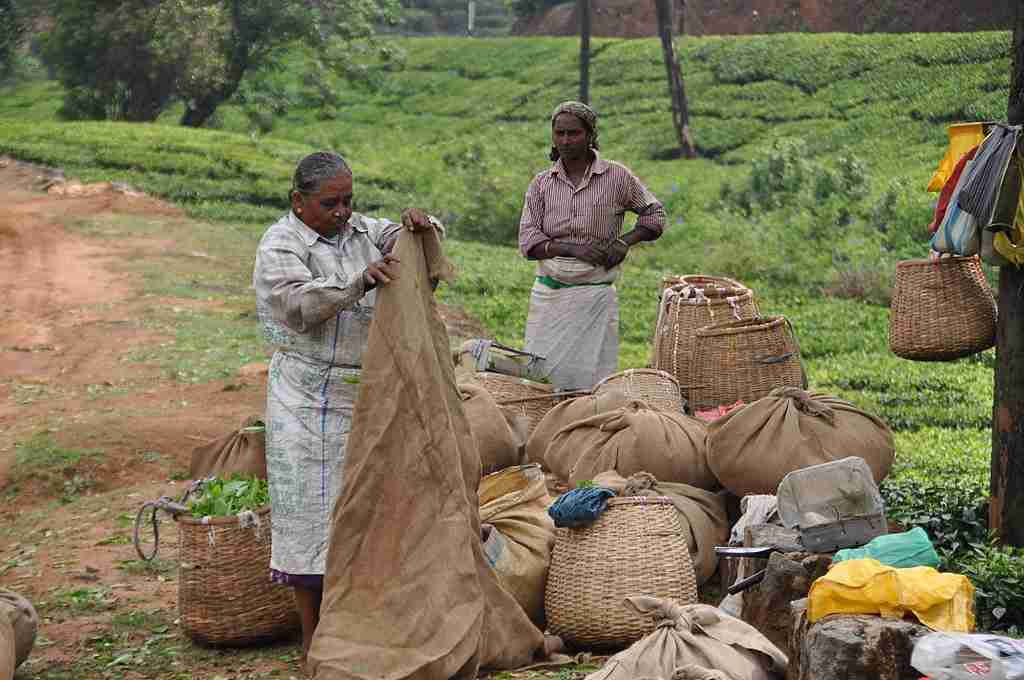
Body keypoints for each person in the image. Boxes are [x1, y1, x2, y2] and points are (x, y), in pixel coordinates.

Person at [252, 151, 441, 665]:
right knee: (310, 518)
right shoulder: (280, 244)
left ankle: (361, 623)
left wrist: (421, 228)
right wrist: (358, 282)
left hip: (363, 393)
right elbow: (298, 306)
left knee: (365, 510)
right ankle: (314, 637)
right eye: (329, 203)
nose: (342, 212)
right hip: (305, 396)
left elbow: (404, 240)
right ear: (299, 201)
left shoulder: (361, 231)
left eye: (348, 201)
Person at [518, 101, 668, 391]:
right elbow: (528, 241)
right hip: (550, 295)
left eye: (573, 133)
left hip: (594, 297)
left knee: (591, 384)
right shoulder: (541, 184)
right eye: (559, 133)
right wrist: (572, 249)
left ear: (589, 135)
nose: (565, 140)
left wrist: (625, 241)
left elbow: (655, 214)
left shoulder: (616, 177)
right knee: (541, 383)